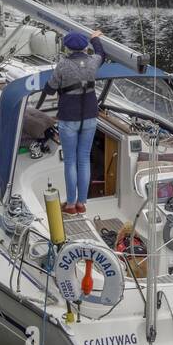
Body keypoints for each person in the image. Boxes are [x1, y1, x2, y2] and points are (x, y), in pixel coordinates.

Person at [45, 28, 105, 214]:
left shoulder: (62, 65)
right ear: (84, 47)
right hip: (89, 116)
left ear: (67, 48)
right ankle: (81, 202)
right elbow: (101, 53)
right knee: (84, 159)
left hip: (69, 117)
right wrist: (95, 39)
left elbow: (50, 89)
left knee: (70, 161)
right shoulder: (93, 62)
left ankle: (70, 204)